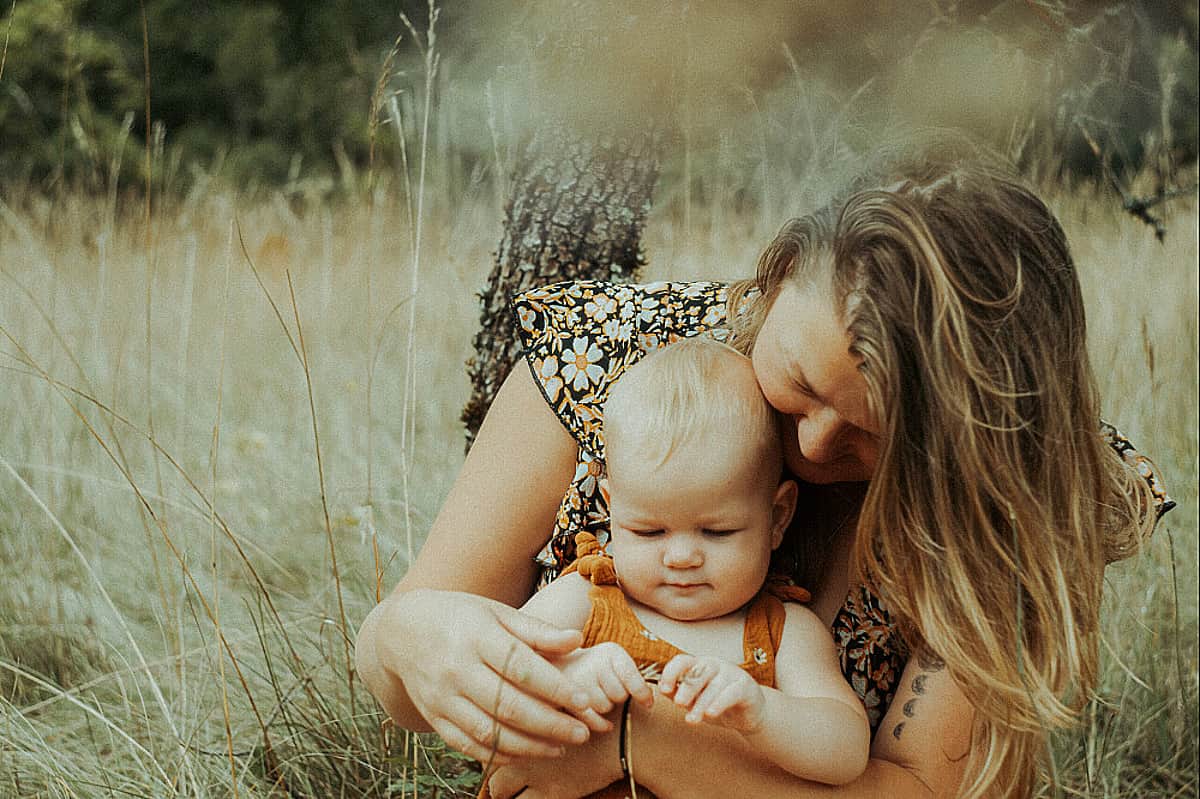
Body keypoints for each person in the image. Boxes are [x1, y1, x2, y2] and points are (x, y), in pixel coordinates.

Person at [355, 148, 1174, 798]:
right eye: (801, 381)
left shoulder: (1015, 494)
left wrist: (637, 743)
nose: (814, 444)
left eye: (873, 433)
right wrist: (410, 632)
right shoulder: (613, 364)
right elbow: (395, 674)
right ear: (777, 278)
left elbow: (924, 790)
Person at [476, 336, 870, 797]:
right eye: (649, 532)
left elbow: (846, 753)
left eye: (717, 532)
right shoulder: (586, 600)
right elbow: (489, 696)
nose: (681, 557)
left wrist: (763, 712)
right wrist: (568, 679)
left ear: (777, 518)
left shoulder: (784, 634)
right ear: (612, 508)